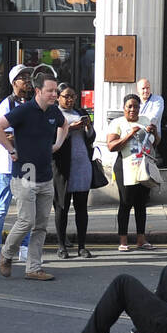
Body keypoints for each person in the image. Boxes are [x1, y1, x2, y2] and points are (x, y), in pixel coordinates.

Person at [0, 67, 67, 281]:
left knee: (41, 225)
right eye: (51, 91)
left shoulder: (53, 111)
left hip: (45, 175)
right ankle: (6, 254)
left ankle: (33, 268)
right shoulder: (24, 110)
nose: (55, 95)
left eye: (55, 91)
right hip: (26, 173)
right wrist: (11, 150)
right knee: (26, 221)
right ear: (38, 91)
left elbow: (64, 125)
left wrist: (58, 144)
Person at [0, 64, 34, 266]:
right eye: (24, 77)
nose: (28, 81)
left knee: (27, 208)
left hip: (28, 164)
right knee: (2, 207)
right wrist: (19, 138)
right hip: (7, 163)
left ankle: (24, 246)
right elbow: (2, 133)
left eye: (29, 77)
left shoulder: (33, 103)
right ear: (14, 82)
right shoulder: (6, 104)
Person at [107, 93, 158, 252]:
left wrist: (154, 132)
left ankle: (141, 239)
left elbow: (155, 143)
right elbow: (111, 146)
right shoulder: (117, 123)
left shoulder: (144, 120)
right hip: (125, 166)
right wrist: (129, 134)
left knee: (141, 204)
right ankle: (123, 240)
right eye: (129, 106)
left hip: (143, 166)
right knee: (126, 203)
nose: (133, 109)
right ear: (124, 108)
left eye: (136, 106)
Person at [54, 84, 97, 259]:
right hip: (62, 168)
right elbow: (51, 138)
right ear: (58, 97)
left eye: (72, 96)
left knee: (81, 209)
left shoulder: (81, 113)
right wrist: (71, 128)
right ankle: (61, 246)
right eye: (66, 96)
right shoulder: (54, 114)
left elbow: (92, 137)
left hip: (82, 166)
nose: (70, 99)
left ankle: (82, 246)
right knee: (61, 208)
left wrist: (87, 127)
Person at [136, 77, 167, 166]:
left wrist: (137, 121)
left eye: (148, 88)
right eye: (143, 88)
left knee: (148, 163)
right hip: (135, 136)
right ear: (138, 90)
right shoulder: (135, 101)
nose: (146, 91)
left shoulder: (158, 100)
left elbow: (153, 118)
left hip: (152, 135)